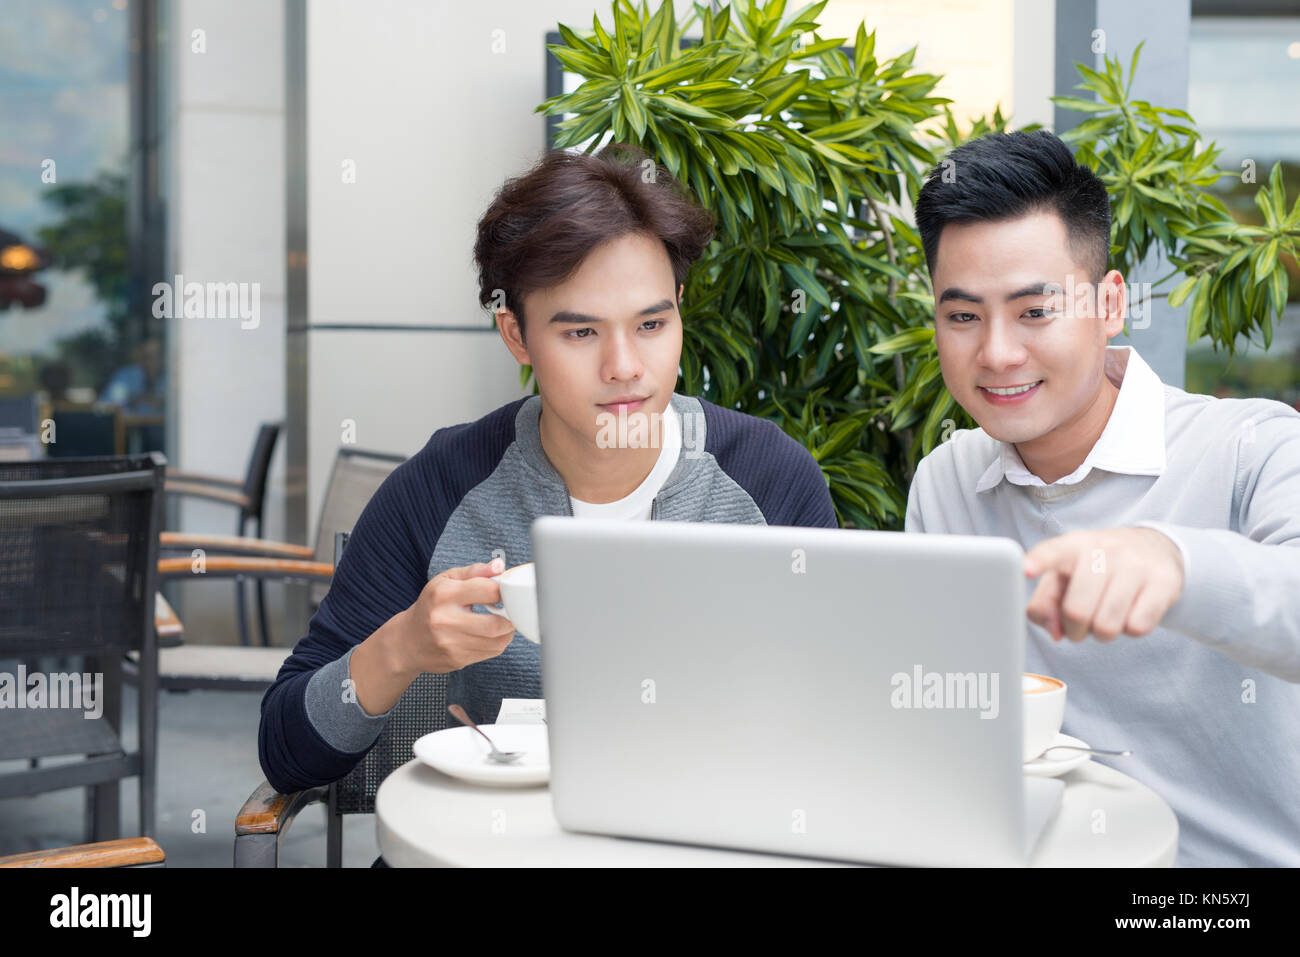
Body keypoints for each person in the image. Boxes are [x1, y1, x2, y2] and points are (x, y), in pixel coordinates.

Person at [258, 144, 839, 805]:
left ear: (680, 308)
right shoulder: (441, 486)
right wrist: (402, 647)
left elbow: (834, 732)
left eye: (652, 322)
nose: (624, 366)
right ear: (516, 335)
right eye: (581, 333)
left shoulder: (769, 480)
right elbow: (287, 753)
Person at [904, 129, 1300, 866]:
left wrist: (1173, 561)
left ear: (1109, 302)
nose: (996, 352)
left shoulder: (1250, 445)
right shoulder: (948, 483)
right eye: (962, 316)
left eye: (1034, 311)